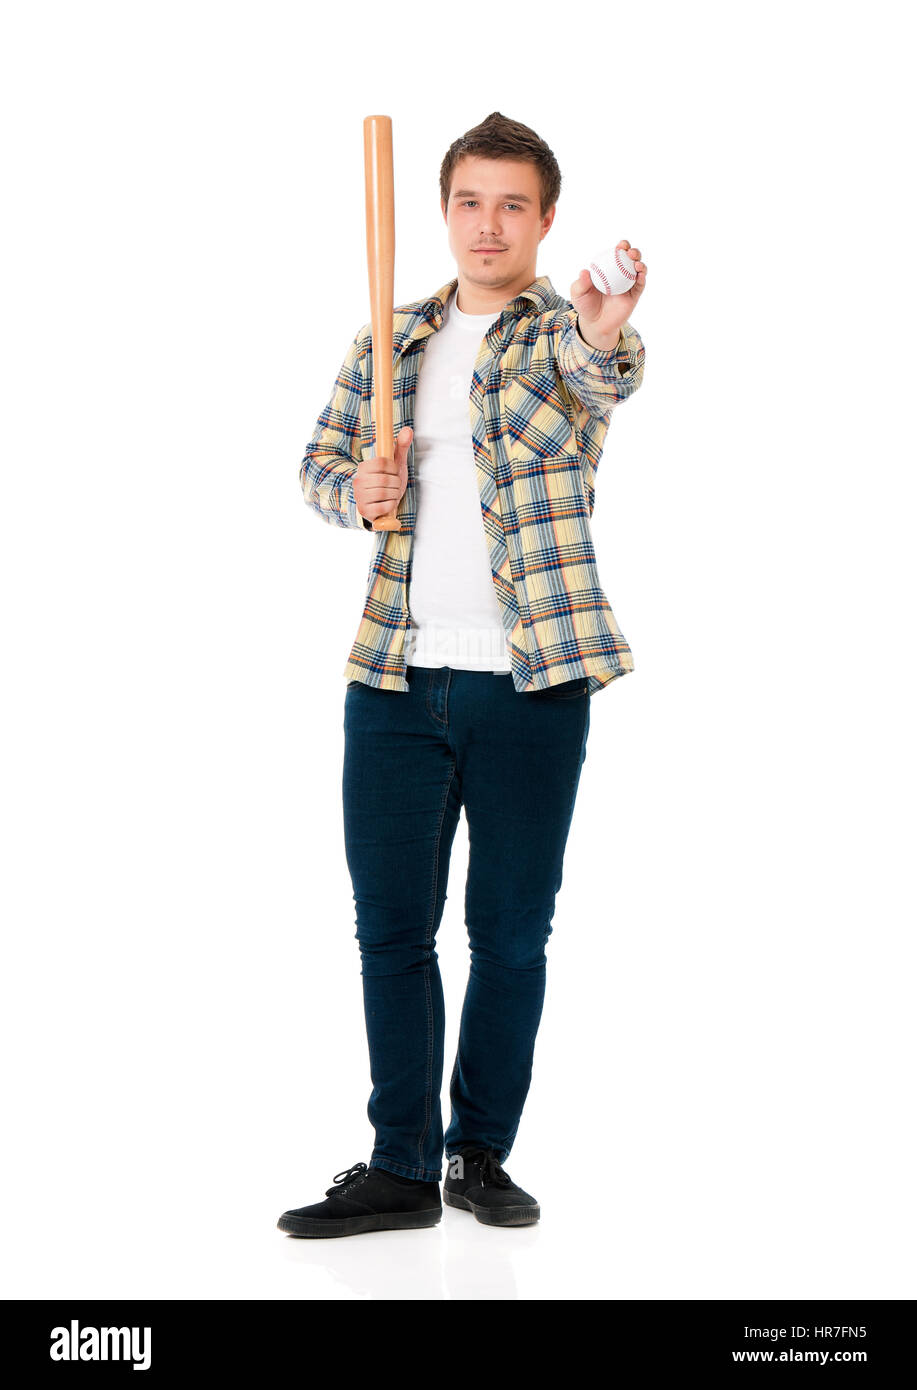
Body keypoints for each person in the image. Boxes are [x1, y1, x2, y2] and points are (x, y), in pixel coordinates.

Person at [278, 112, 647, 1239]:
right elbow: (317, 465)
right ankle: (398, 1163)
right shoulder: (387, 342)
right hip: (391, 679)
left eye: (513, 205)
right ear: (444, 212)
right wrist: (361, 494)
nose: (488, 224)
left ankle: (475, 1151)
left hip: (530, 681)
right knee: (389, 927)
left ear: (542, 220)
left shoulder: (555, 340)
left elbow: (604, 374)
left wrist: (602, 327)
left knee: (509, 930)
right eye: (470, 202)